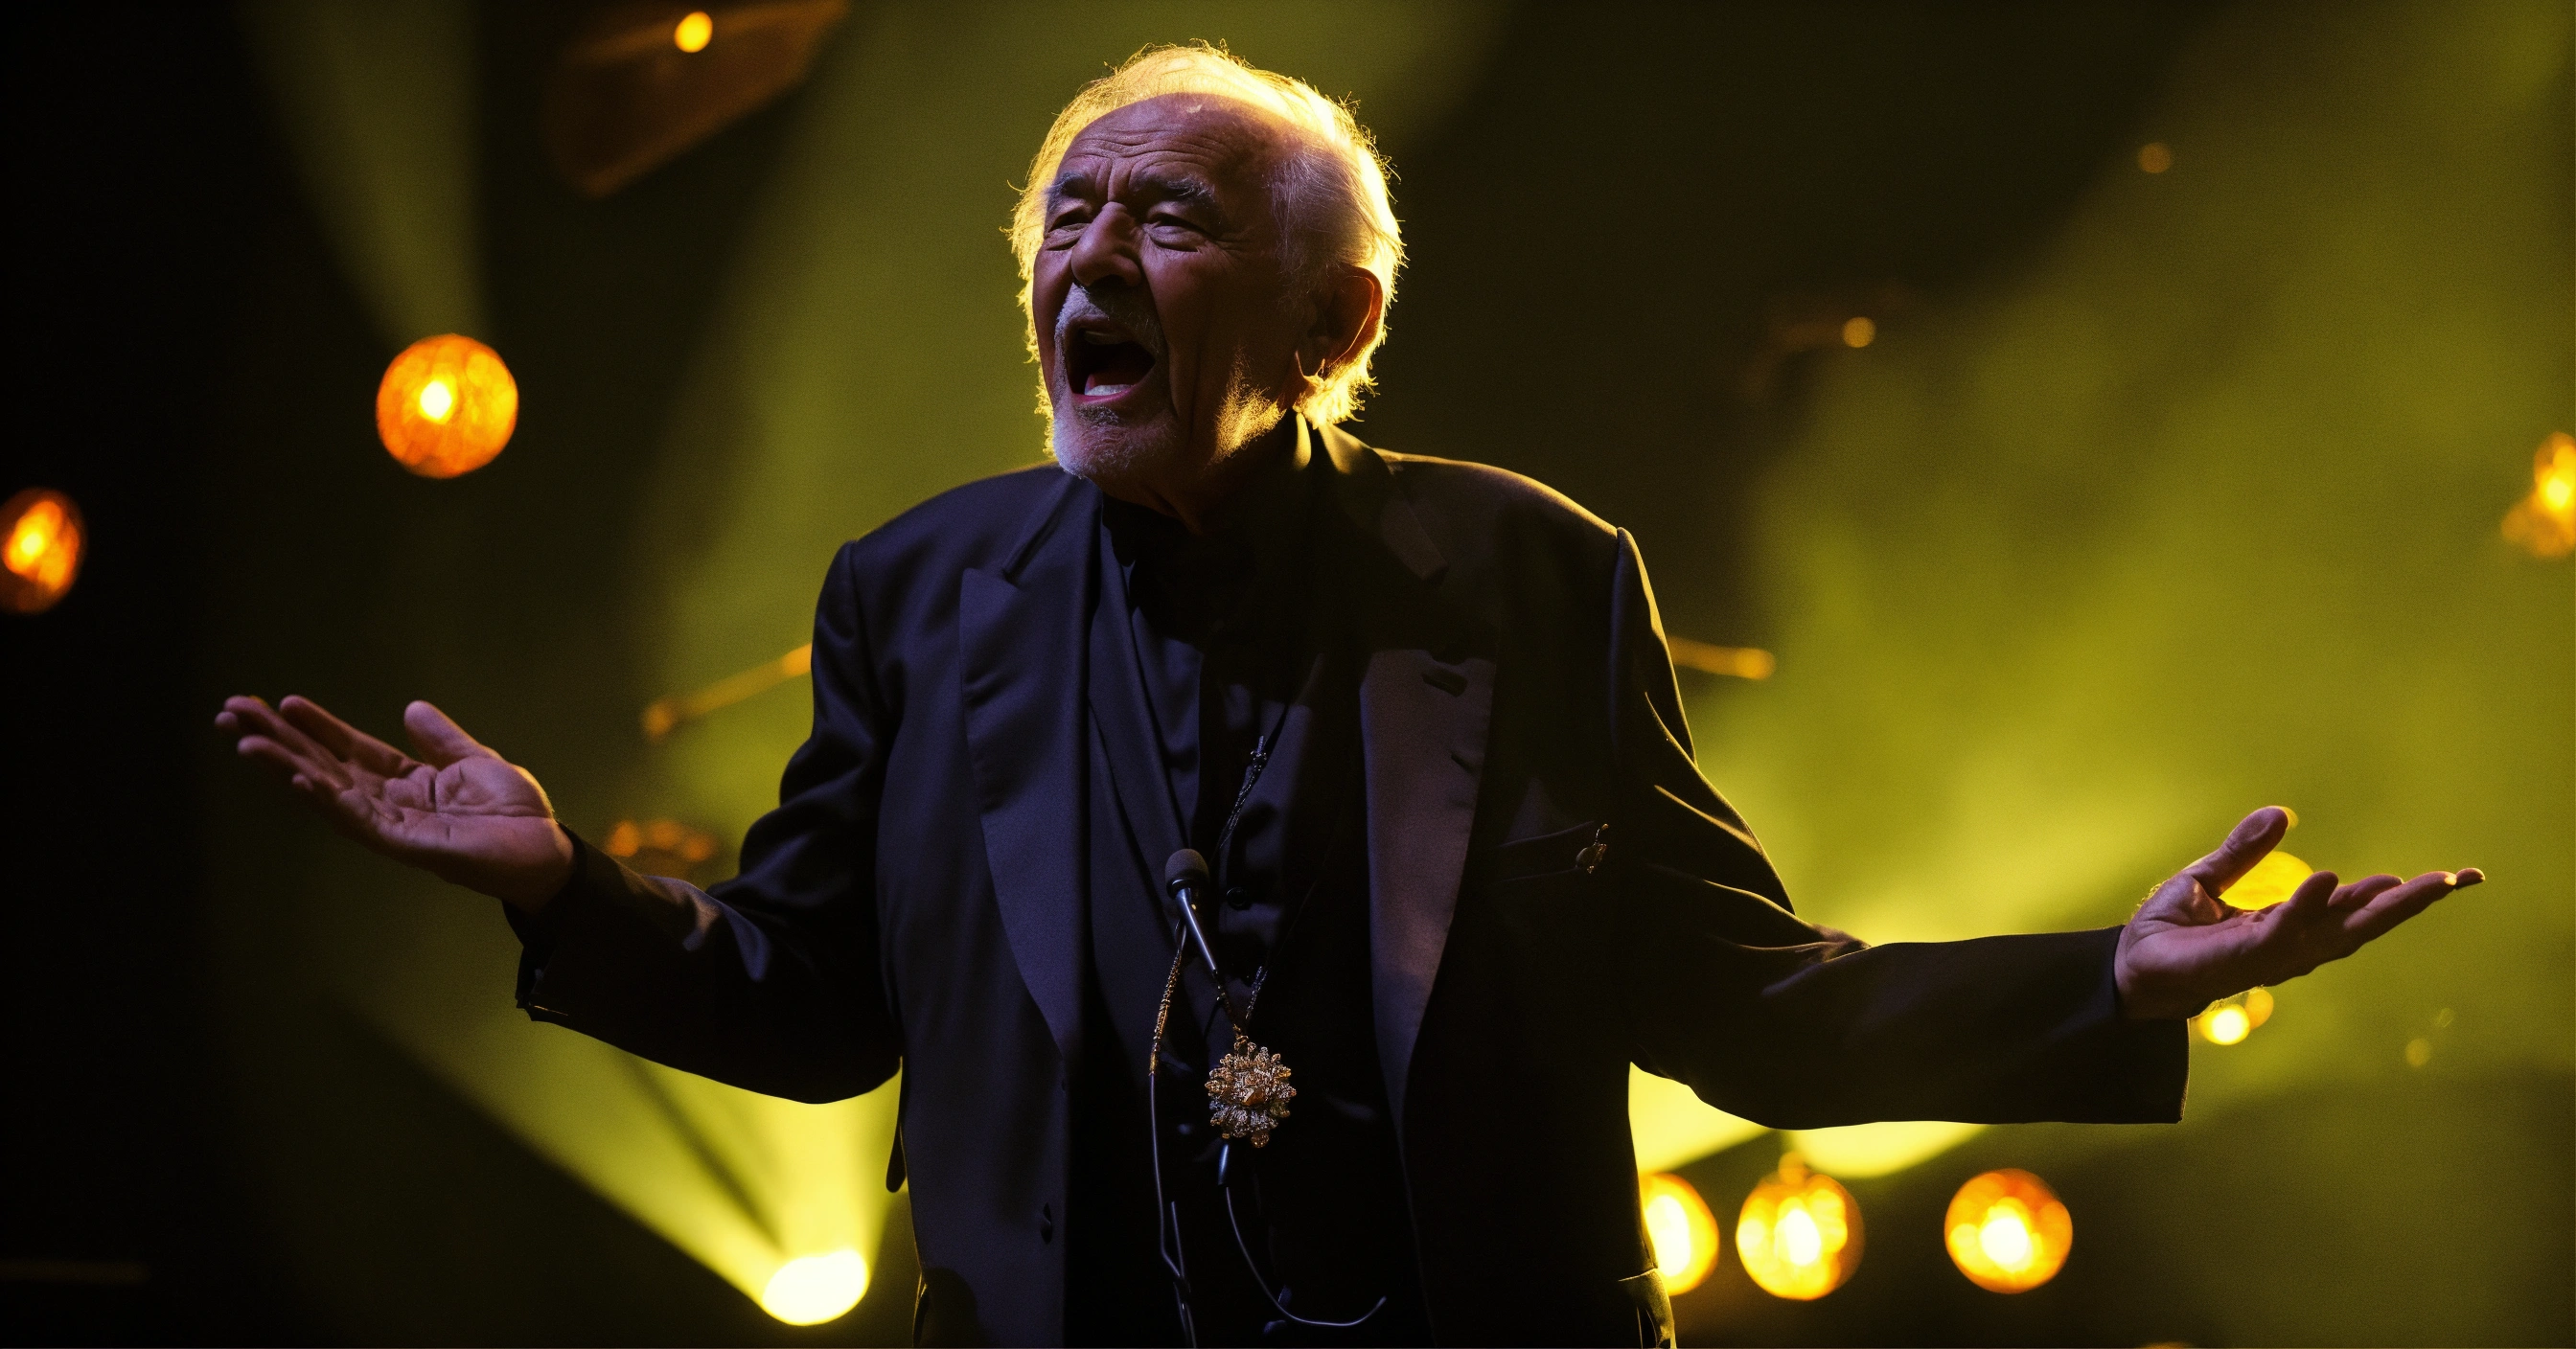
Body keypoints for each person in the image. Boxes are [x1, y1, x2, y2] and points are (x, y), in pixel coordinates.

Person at [218, 43, 2480, 1349]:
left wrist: (2114, 975)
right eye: (1067, 221)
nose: (1094, 256)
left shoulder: (1522, 571)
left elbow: (1755, 1000)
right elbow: (818, 1000)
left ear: (1325, 321)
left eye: (1171, 219)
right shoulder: (913, 593)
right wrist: (562, 894)